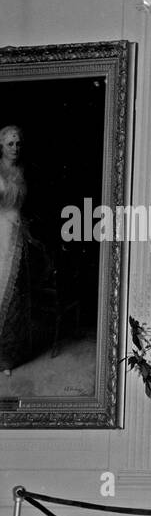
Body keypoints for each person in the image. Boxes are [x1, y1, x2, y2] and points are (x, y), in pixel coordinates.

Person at [0, 124, 34, 374]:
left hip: (19, 233)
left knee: (16, 297)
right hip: (1, 233)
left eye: (18, 143)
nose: (15, 147)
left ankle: (7, 358)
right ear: (1, 145)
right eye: (10, 143)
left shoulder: (22, 171)